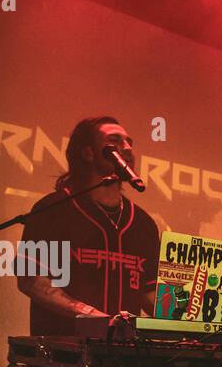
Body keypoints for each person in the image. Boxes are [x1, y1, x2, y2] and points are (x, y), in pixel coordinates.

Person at [16, 116, 160, 336]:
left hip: (122, 358)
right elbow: (31, 279)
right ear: (88, 153)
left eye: (129, 142)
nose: (127, 148)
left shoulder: (143, 223)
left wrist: (190, 319)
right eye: (115, 140)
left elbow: (148, 292)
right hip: (63, 355)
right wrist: (90, 315)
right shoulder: (52, 209)